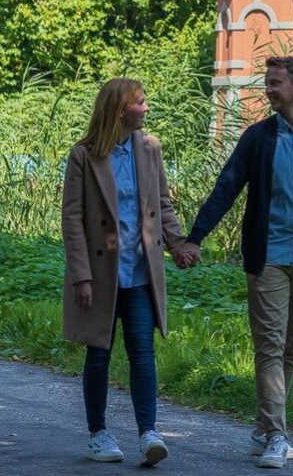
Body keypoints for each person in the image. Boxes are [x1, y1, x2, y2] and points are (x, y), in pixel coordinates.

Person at [185, 56, 293, 470]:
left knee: (291, 347)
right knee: (269, 345)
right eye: (268, 82)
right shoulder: (258, 139)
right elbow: (226, 188)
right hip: (269, 258)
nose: (268, 89)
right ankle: (278, 436)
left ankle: (265, 428)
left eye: (274, 83)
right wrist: (195, 237)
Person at [61, 77, 199, 467]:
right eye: (140, 103)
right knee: (99, 353)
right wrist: (81, 277)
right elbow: (72, 221)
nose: (146, 109)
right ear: (120, 109)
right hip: (101, 274)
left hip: (140, 271)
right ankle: (98, 433)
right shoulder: (83, 156)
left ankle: (148, 433)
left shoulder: (150, 149)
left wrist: (178, 245)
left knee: (142, 351)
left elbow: (162, 206)